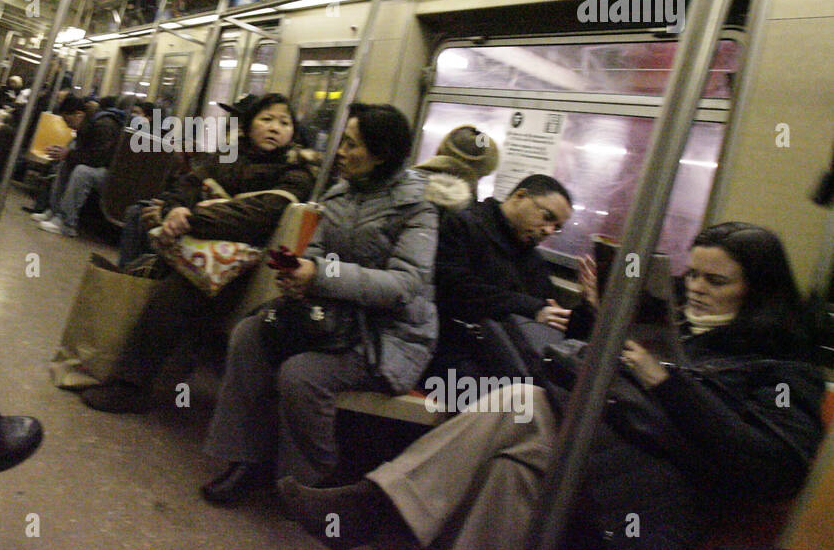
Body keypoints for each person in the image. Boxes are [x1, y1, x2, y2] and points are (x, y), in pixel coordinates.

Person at [278, 222, 828, 550]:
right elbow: (617, 394)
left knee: (527, 403)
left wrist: (665, 381)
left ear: (756, 291)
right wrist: (600, 317)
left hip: (672, 494)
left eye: (718, 281)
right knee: (513, 467)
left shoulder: (781, 366)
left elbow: (772, 468)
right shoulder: (680, 332)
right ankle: (381, 510)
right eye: (695, 277)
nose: (699, 290)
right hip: (614, 457)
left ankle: (374, 505)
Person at [196, 104, 439, 500]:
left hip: (384, 337)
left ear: (381, 154)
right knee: (249, 335)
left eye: (351, 144)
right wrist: (299, 278)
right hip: (329, 319)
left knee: (301, 374)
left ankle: (307, 482)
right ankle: (245, 461)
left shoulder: (417, 209)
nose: (339, 151)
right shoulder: (341, 193)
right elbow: (319, 251)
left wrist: (322, 276)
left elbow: (404, 286)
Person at [80, 94, 318, 413]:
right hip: (197, 250)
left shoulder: (296, 175)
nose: (275, 128)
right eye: (267, 119)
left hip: (241, 269)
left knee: (173, 295)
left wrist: (191, 218)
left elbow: (259, 215)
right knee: (144, 270)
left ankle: (131, 387)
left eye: (284, 122)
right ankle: (116, 367)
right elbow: (187, 184)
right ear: (248, 125)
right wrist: (174, 208)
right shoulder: (225, 156)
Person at [428, 174, 595, 382]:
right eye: (546, 216)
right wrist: (532, 309)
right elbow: (455, 290)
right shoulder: (464, 225)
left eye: (557, 227)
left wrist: (588, 305)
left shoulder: (531, 258)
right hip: (453, 347)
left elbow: (554, 319)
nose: (548, 230)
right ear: (520, 196)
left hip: (508, 354)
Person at [35, 95, 125, 237]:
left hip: (113, 173)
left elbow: (98, 159)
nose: (67, 126)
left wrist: (69, 154)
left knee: (82, 172)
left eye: (68, 120)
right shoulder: (90, 123)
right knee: (68, 164)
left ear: (79, 114)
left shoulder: (104, 125)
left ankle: (67, 223)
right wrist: (68, 155)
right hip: (101, 165)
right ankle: (55, 210)